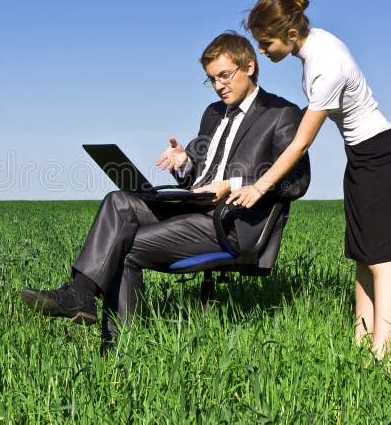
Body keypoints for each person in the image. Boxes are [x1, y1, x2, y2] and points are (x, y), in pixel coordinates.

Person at [21, 32, 310, 349]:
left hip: (231, 223)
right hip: (193, 209)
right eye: (211, 80)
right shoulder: (213, 113)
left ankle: (117, 350)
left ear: (250, 67)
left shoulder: (281, 114)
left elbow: (297, 180)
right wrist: (184, 163)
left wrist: (237, 184)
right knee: (119, 201)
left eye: (225, 76)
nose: (218, 86)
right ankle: (80, 294)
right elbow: (197, 176)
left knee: (124, 247)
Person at [226, 0, 391, 362]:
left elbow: (301, 143)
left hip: (381, 155)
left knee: (384, 260)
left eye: (266, 43)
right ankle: (361, 347)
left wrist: (261, 185)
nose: (262, 51)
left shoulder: (324, 63)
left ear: (290, 31)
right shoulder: (315, 46)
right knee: (365, 255)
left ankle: (382, 361)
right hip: (364, 155)